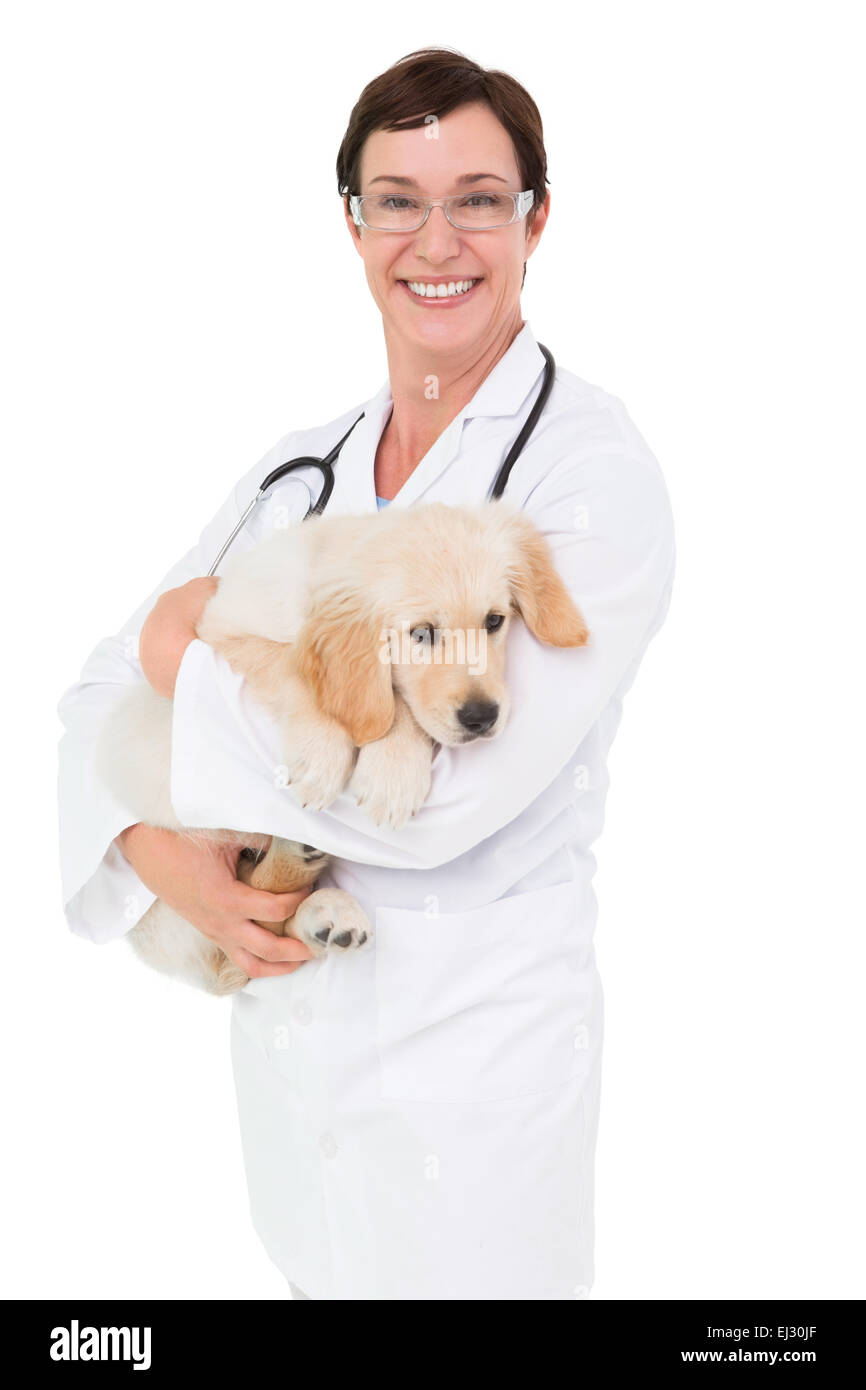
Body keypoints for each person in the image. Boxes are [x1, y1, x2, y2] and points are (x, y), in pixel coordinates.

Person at [57, 47, 675, 1301]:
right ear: (351, 226)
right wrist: (158, 853)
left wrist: (193, 658)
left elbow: (438, 800)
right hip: (295, 1092)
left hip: (475, 1106)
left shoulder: (584, 474)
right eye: (396, 198)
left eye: (477, 198)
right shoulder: (301, 471)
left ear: (534, 219)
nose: (433, 238)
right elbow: (89, 699)